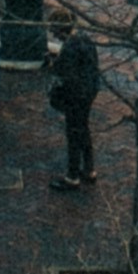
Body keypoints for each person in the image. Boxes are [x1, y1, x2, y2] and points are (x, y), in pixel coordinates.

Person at [49, 16, 104, 194]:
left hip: (76, 96)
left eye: (55, 31)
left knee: (73, 133)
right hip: (89, 91)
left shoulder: (71, 47)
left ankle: (72, 176)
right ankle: (89, 169)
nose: (53, 34)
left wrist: (54, 65)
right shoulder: (85, 39)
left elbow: (66, 74)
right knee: (84, 130)